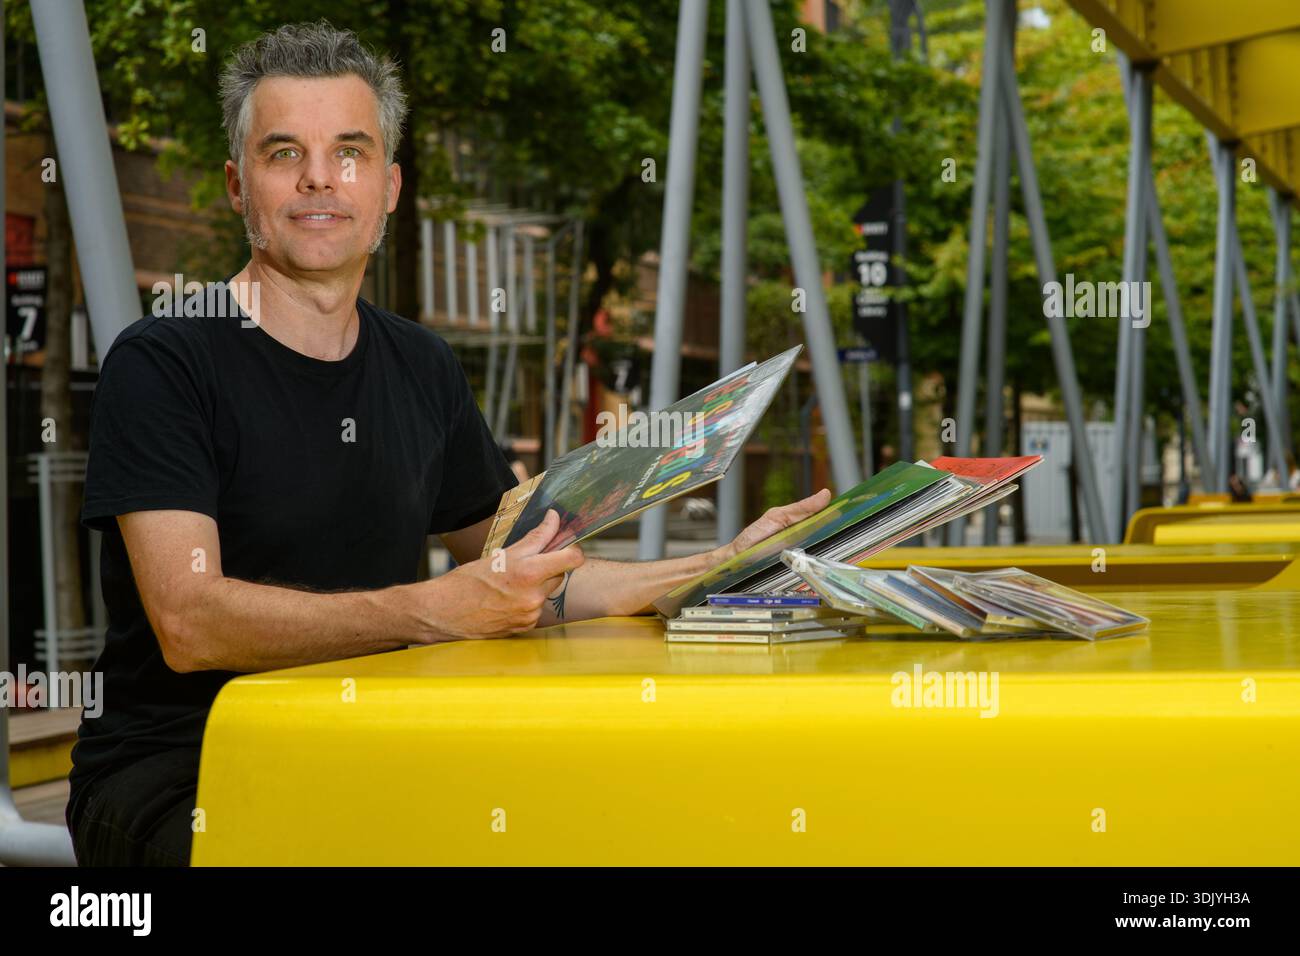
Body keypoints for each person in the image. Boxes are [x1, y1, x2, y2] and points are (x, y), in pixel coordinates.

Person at [65, 21, 830, 867]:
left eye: (350, 151)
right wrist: (432, 611)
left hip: (374, 745)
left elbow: (525, 571)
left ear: (389, 187)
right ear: (236, 186)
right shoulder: (166, 358)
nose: (321, 177)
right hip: (187, 773)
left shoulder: (421, 364)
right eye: (284, 152)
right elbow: (190, 621)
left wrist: (714, 570)